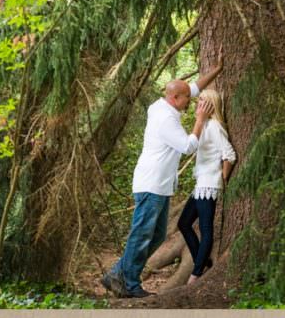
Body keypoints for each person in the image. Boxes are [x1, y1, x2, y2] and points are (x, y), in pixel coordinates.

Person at [101, 62, 225, 298]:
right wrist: (199, 119)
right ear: (176, 98)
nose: (191, 102)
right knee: (142, 233)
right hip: (152, 184)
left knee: (156, 235)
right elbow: (188, 147)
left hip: (160, 185)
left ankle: (117, 274)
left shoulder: (162, 105)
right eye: (187, 99)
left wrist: (215, 71)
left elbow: (190, 89)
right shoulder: (165, 120)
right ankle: (130, 283)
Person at [177, 88, 236, 285]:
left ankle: (195, 275)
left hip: (209, 185)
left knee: (205, 229)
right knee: (183, 224)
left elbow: (229, 154)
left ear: (210, 105)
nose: (197, 104)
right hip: (201, 185)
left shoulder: (214, 127)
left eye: (201, 101)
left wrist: (223, 178)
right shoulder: (205, 125)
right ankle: (201, 263)